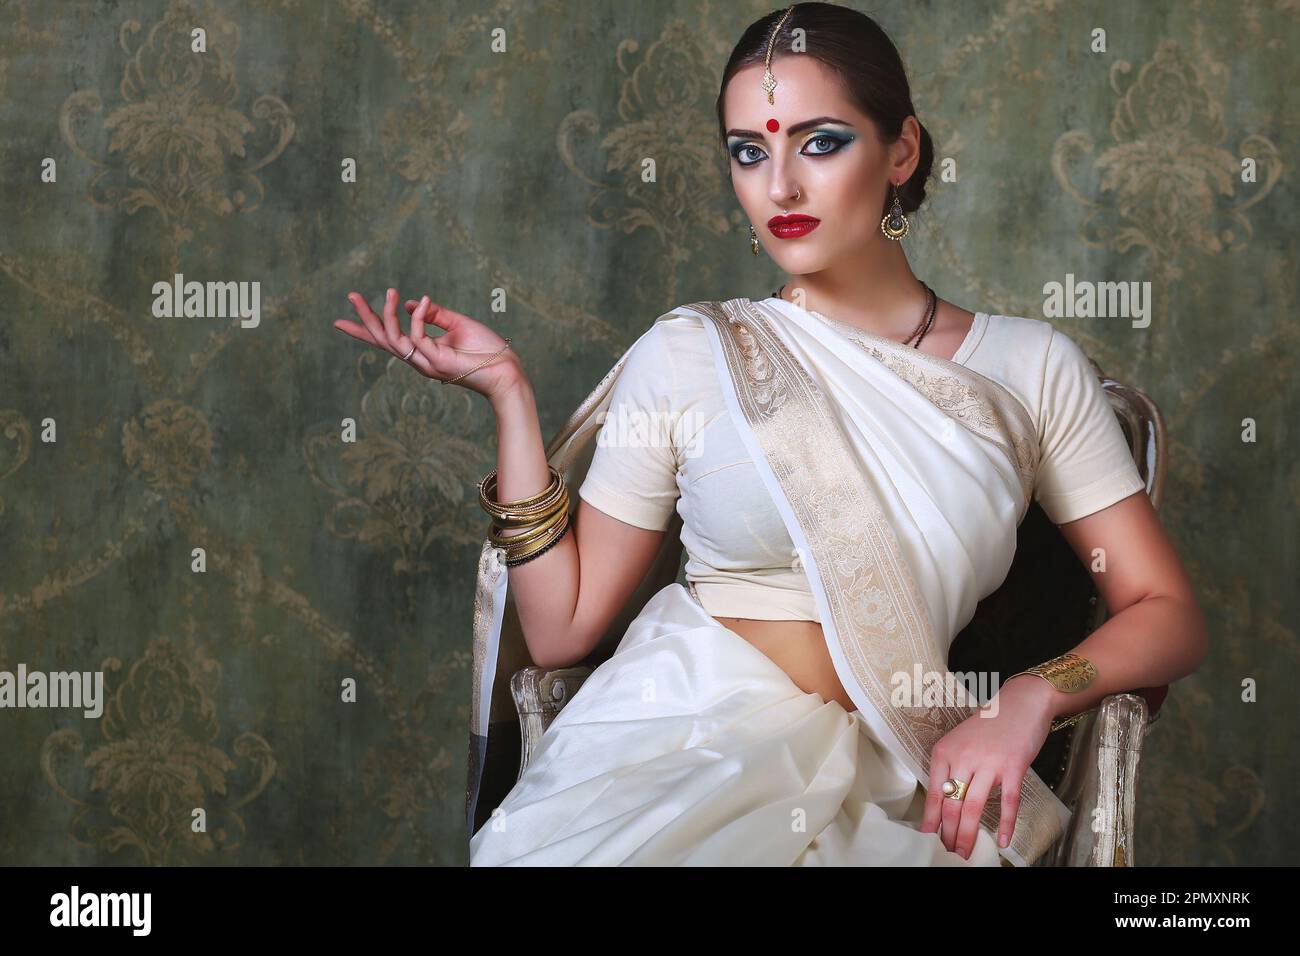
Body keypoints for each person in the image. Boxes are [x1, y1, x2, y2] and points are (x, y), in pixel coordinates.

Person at [334, 3, 1207, 866]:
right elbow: (561, 631)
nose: (780, 186)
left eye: (820, 142)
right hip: (678, 746)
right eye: (750, 152)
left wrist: (1027, 698)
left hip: (898, 768)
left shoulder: (1028, 366)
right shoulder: (690, 352)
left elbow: (1165, 614)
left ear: (902, 149)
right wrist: (509, 397)